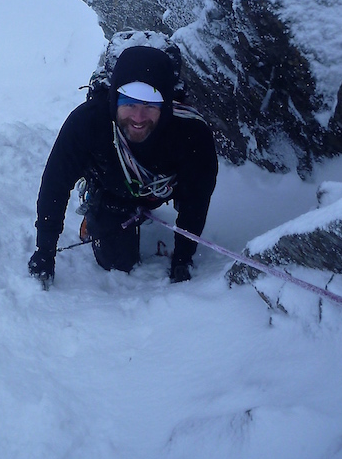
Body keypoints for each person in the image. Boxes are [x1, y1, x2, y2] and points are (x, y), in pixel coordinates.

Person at [28, 45, 218, 286]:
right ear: (114, 100)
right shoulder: (87, 123)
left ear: (166, 105)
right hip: (112, 188)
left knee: (189, 190)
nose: (138, 117)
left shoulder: (191, 133)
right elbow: (55, 184)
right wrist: (45, 251)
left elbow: (198, 199)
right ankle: (97, 208)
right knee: (117, 262)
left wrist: (183, 257)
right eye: (129, 104)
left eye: (150, 106)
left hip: (163, 185)